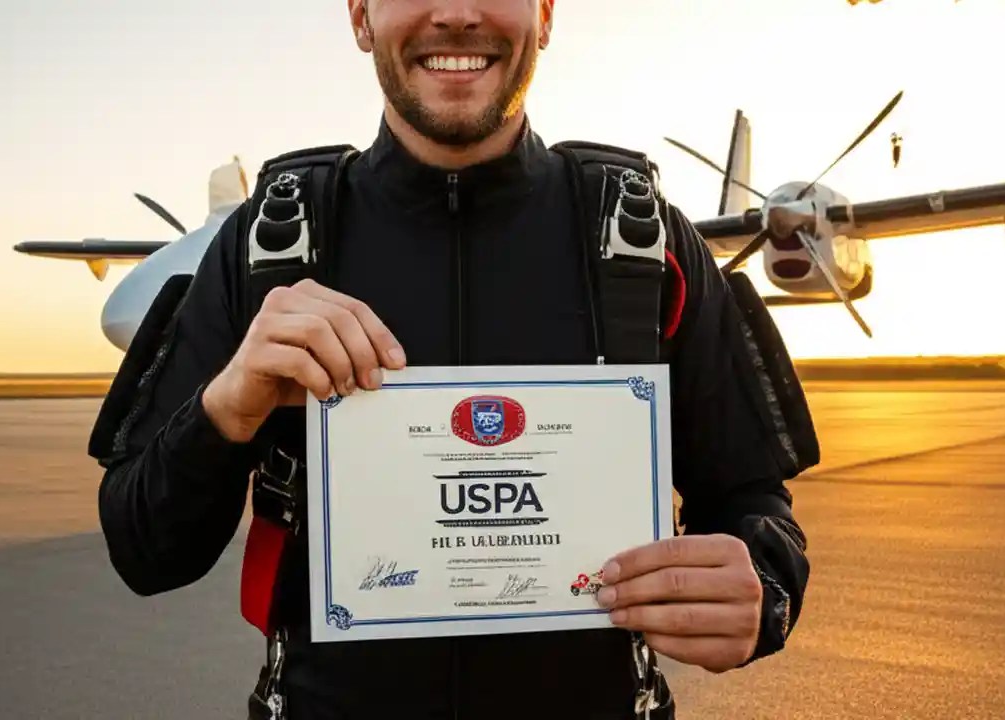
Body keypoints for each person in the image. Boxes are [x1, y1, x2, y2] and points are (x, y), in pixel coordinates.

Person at [92, 1, 813, 718]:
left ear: (546, 15)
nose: (459, 14)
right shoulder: (266, 249)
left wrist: (762, 592)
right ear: (360, 17)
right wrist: (227, 408)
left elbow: (754, 503)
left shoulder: (646, 246)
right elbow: (144, 552)